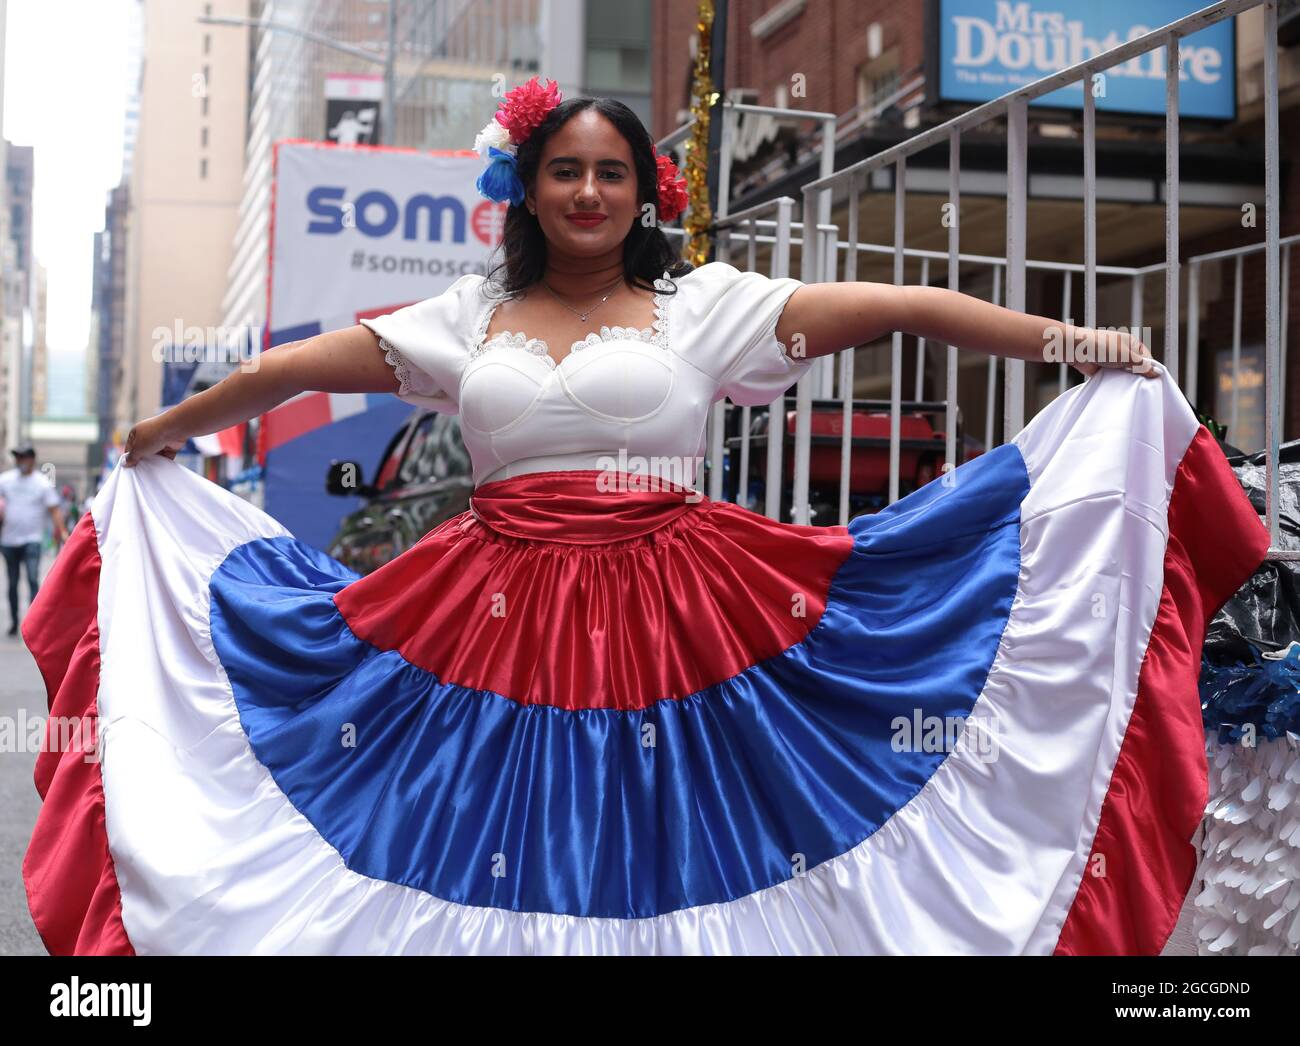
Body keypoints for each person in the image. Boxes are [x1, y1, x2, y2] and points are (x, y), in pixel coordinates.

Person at [21, 80, 1269, 956]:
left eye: (611, 170)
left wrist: (1076, 343)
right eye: (565, 168)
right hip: (486, 612)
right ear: (528, 184)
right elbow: (296, 367)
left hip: (683, 608)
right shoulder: (466, 317)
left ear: (642, 191)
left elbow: (912, 304)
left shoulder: (705, 306)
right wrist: (170, 427)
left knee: (683, 830)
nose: (588, 189)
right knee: (485, 828)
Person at [0, 446, 66, 636]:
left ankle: (34, 623)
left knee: (32, 579)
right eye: (18, 458)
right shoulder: (5, 480)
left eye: (24, 457)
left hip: (32, 540)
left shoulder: (42, 483)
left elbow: (54, 510)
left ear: (32, 460)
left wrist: (62, 532)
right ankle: (14, 621)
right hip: (9, 540)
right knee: (12, 582)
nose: (21, 461)